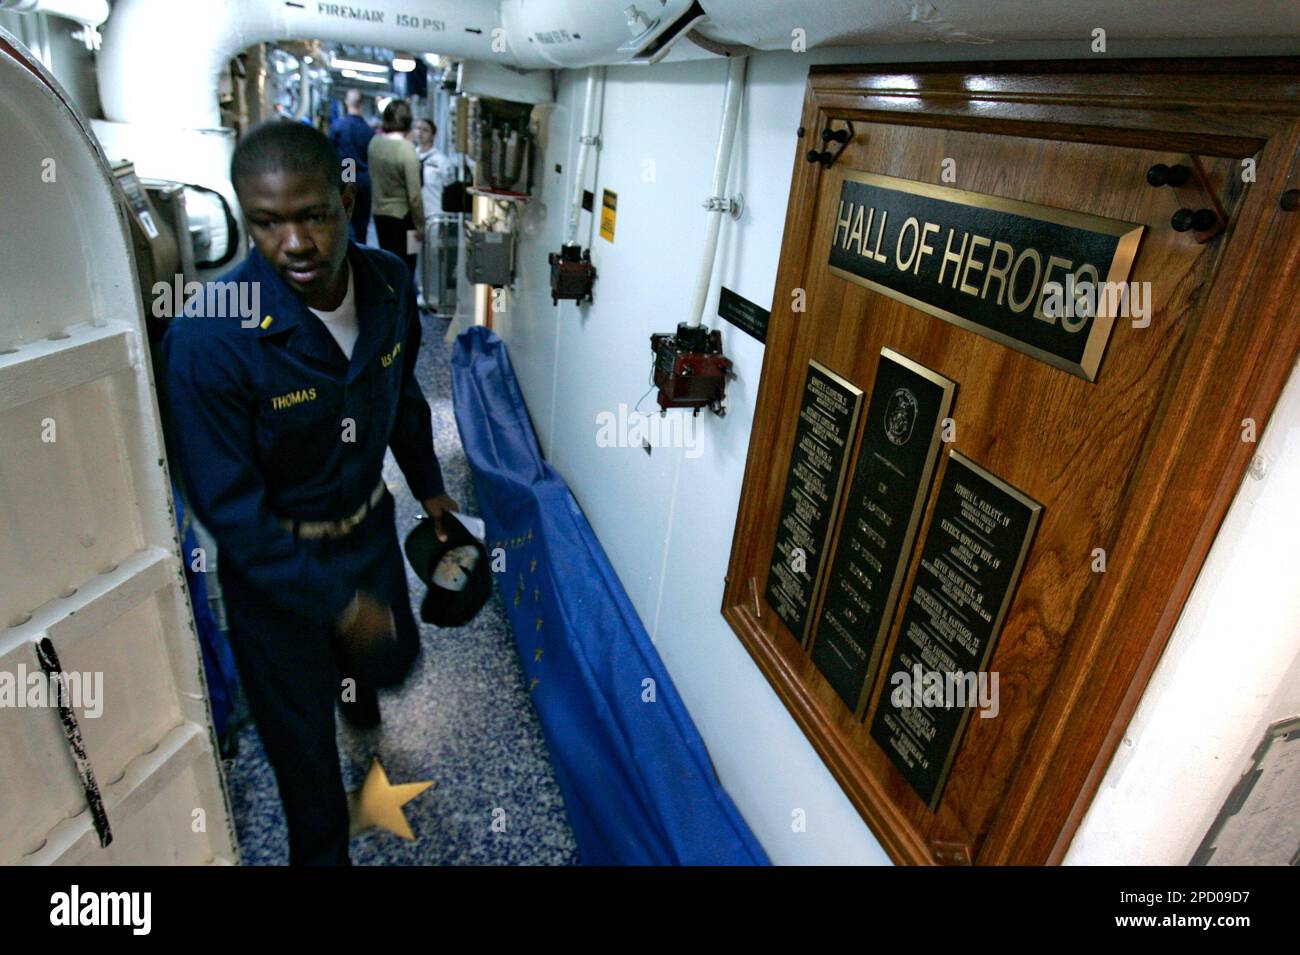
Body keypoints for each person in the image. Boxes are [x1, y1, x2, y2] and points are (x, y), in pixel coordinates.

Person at [163, 120, 458, 865]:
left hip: (366, 535)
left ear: (347, 197)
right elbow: (230, 510)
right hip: (277, 573)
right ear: (245, 218)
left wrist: (432, 493)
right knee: (309, 778)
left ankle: (353, 681)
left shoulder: (389, 283)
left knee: (391, 664)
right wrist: (335, 602)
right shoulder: (209, 337)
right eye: (267, 222)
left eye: (313, 215)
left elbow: (403, 401)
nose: (294, 242)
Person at [368, 99, 423, 281]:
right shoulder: (406, 149)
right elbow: (414, 195)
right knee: (406, 268)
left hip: (380, 214)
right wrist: (421, 226)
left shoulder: (374, 143)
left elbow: (351, 164)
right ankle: (404, 307)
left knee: (387, 266)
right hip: (403, 218)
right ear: (407, 121)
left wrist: (349, 179)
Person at [412, 118, 454, 312]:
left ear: (433, 134)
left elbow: (449, 189)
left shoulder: (441, 161)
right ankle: (421, 291)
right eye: (418, 129)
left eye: (425, 130)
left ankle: (435, 295)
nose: (420, 133)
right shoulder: (410, 157)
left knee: (435, 257)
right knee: (416, 256)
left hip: (435, 216)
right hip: (414, 217)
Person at [329, 89, 374, 243]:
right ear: (361, 104)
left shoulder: (338, 127)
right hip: (364, 180)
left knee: (344, 223)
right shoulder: (368, 130)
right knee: (362, 226)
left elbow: (329, 154)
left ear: (346, 102)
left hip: (346, 177)